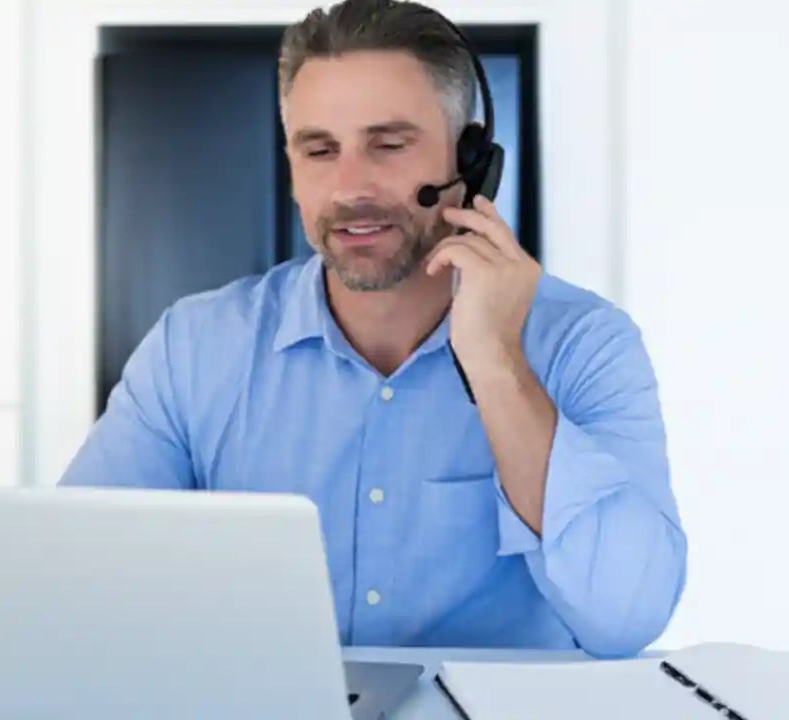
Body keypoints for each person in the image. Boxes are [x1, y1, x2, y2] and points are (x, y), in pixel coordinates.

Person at [61, 0, 686, 659]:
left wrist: (497, 363)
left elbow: (626, 617)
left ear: (470, 160)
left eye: (388, 145)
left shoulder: (585, 344)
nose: (350, 188)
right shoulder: (195, 347)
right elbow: (73, 580)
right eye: (320, 150)